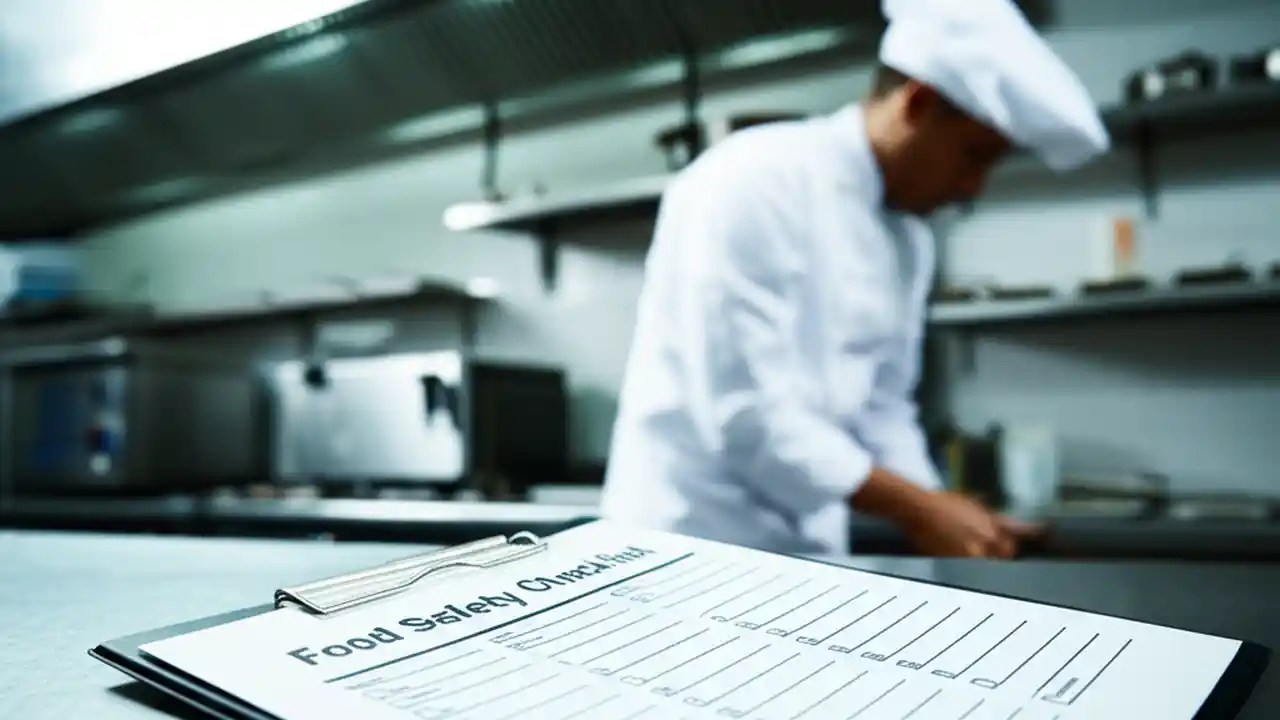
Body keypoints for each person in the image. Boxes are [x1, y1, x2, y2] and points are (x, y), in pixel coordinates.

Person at [600, 0, 1109, 556]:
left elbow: (883, 408)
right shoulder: (749, 181)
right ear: (918, 102)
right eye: (973, 156)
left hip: (809, 552)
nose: (972, 190)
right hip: (685, 546)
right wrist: (924, 509)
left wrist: (952, 517)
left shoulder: (908, 241)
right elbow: (747, 419)